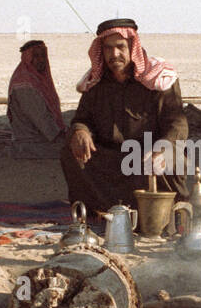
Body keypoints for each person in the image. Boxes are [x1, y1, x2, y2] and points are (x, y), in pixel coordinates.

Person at [61, 19, 187, 213]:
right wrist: (80, 131)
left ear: (132, 47)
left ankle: (161, 215)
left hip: (147, 154)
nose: (114, 54)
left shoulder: (157, 79)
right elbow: (82, 118)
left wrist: (163, 148)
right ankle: (99, 212)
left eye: (120, 47)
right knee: (72, 151)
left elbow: (176, 123)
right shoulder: (96, 82)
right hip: (109, 157)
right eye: (108, 48)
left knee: (172, 158)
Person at [7, 39, 66, 158]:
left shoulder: (37, 79)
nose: (41, 60)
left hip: (42, 136)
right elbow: (41, 119)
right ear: (28, 59)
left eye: (43, 56)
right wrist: (62, 136)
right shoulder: (24, 84)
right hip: (32, 141)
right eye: (36, 56)